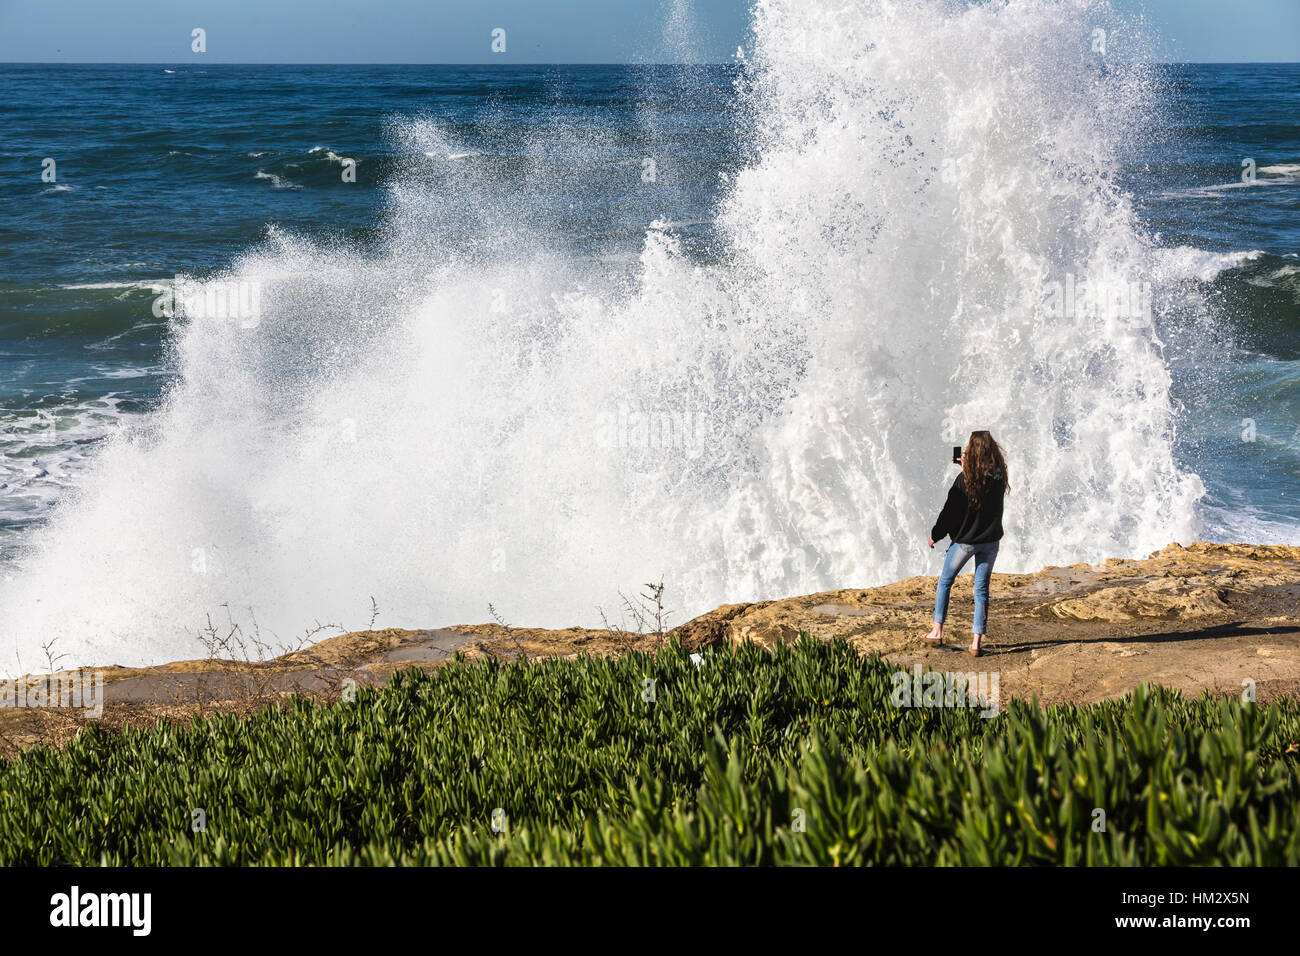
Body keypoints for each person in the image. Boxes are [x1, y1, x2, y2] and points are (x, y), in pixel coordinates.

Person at [921, 430, 1008, 657]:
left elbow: (950, 512)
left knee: (945, 583)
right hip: (990, 542)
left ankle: (936, 631)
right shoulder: (999, 477)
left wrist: (935, 535)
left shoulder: (964, 480)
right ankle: (976, 643)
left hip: (966, 543)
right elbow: (985, 484)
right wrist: (968, 469)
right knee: (981, 590)